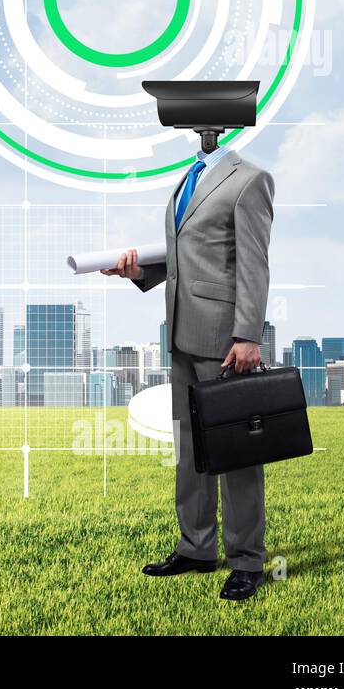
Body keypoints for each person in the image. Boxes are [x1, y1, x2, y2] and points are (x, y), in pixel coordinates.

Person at [103, 142, 274, 601]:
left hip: (225, 338)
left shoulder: (250, 179)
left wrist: (248, 336)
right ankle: (197, 548)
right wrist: (140, 272)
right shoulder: (189, 176)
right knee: (190, 452)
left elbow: (254, 263)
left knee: (236, 454)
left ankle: (246, 562)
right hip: (181, 332)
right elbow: (190, 255)